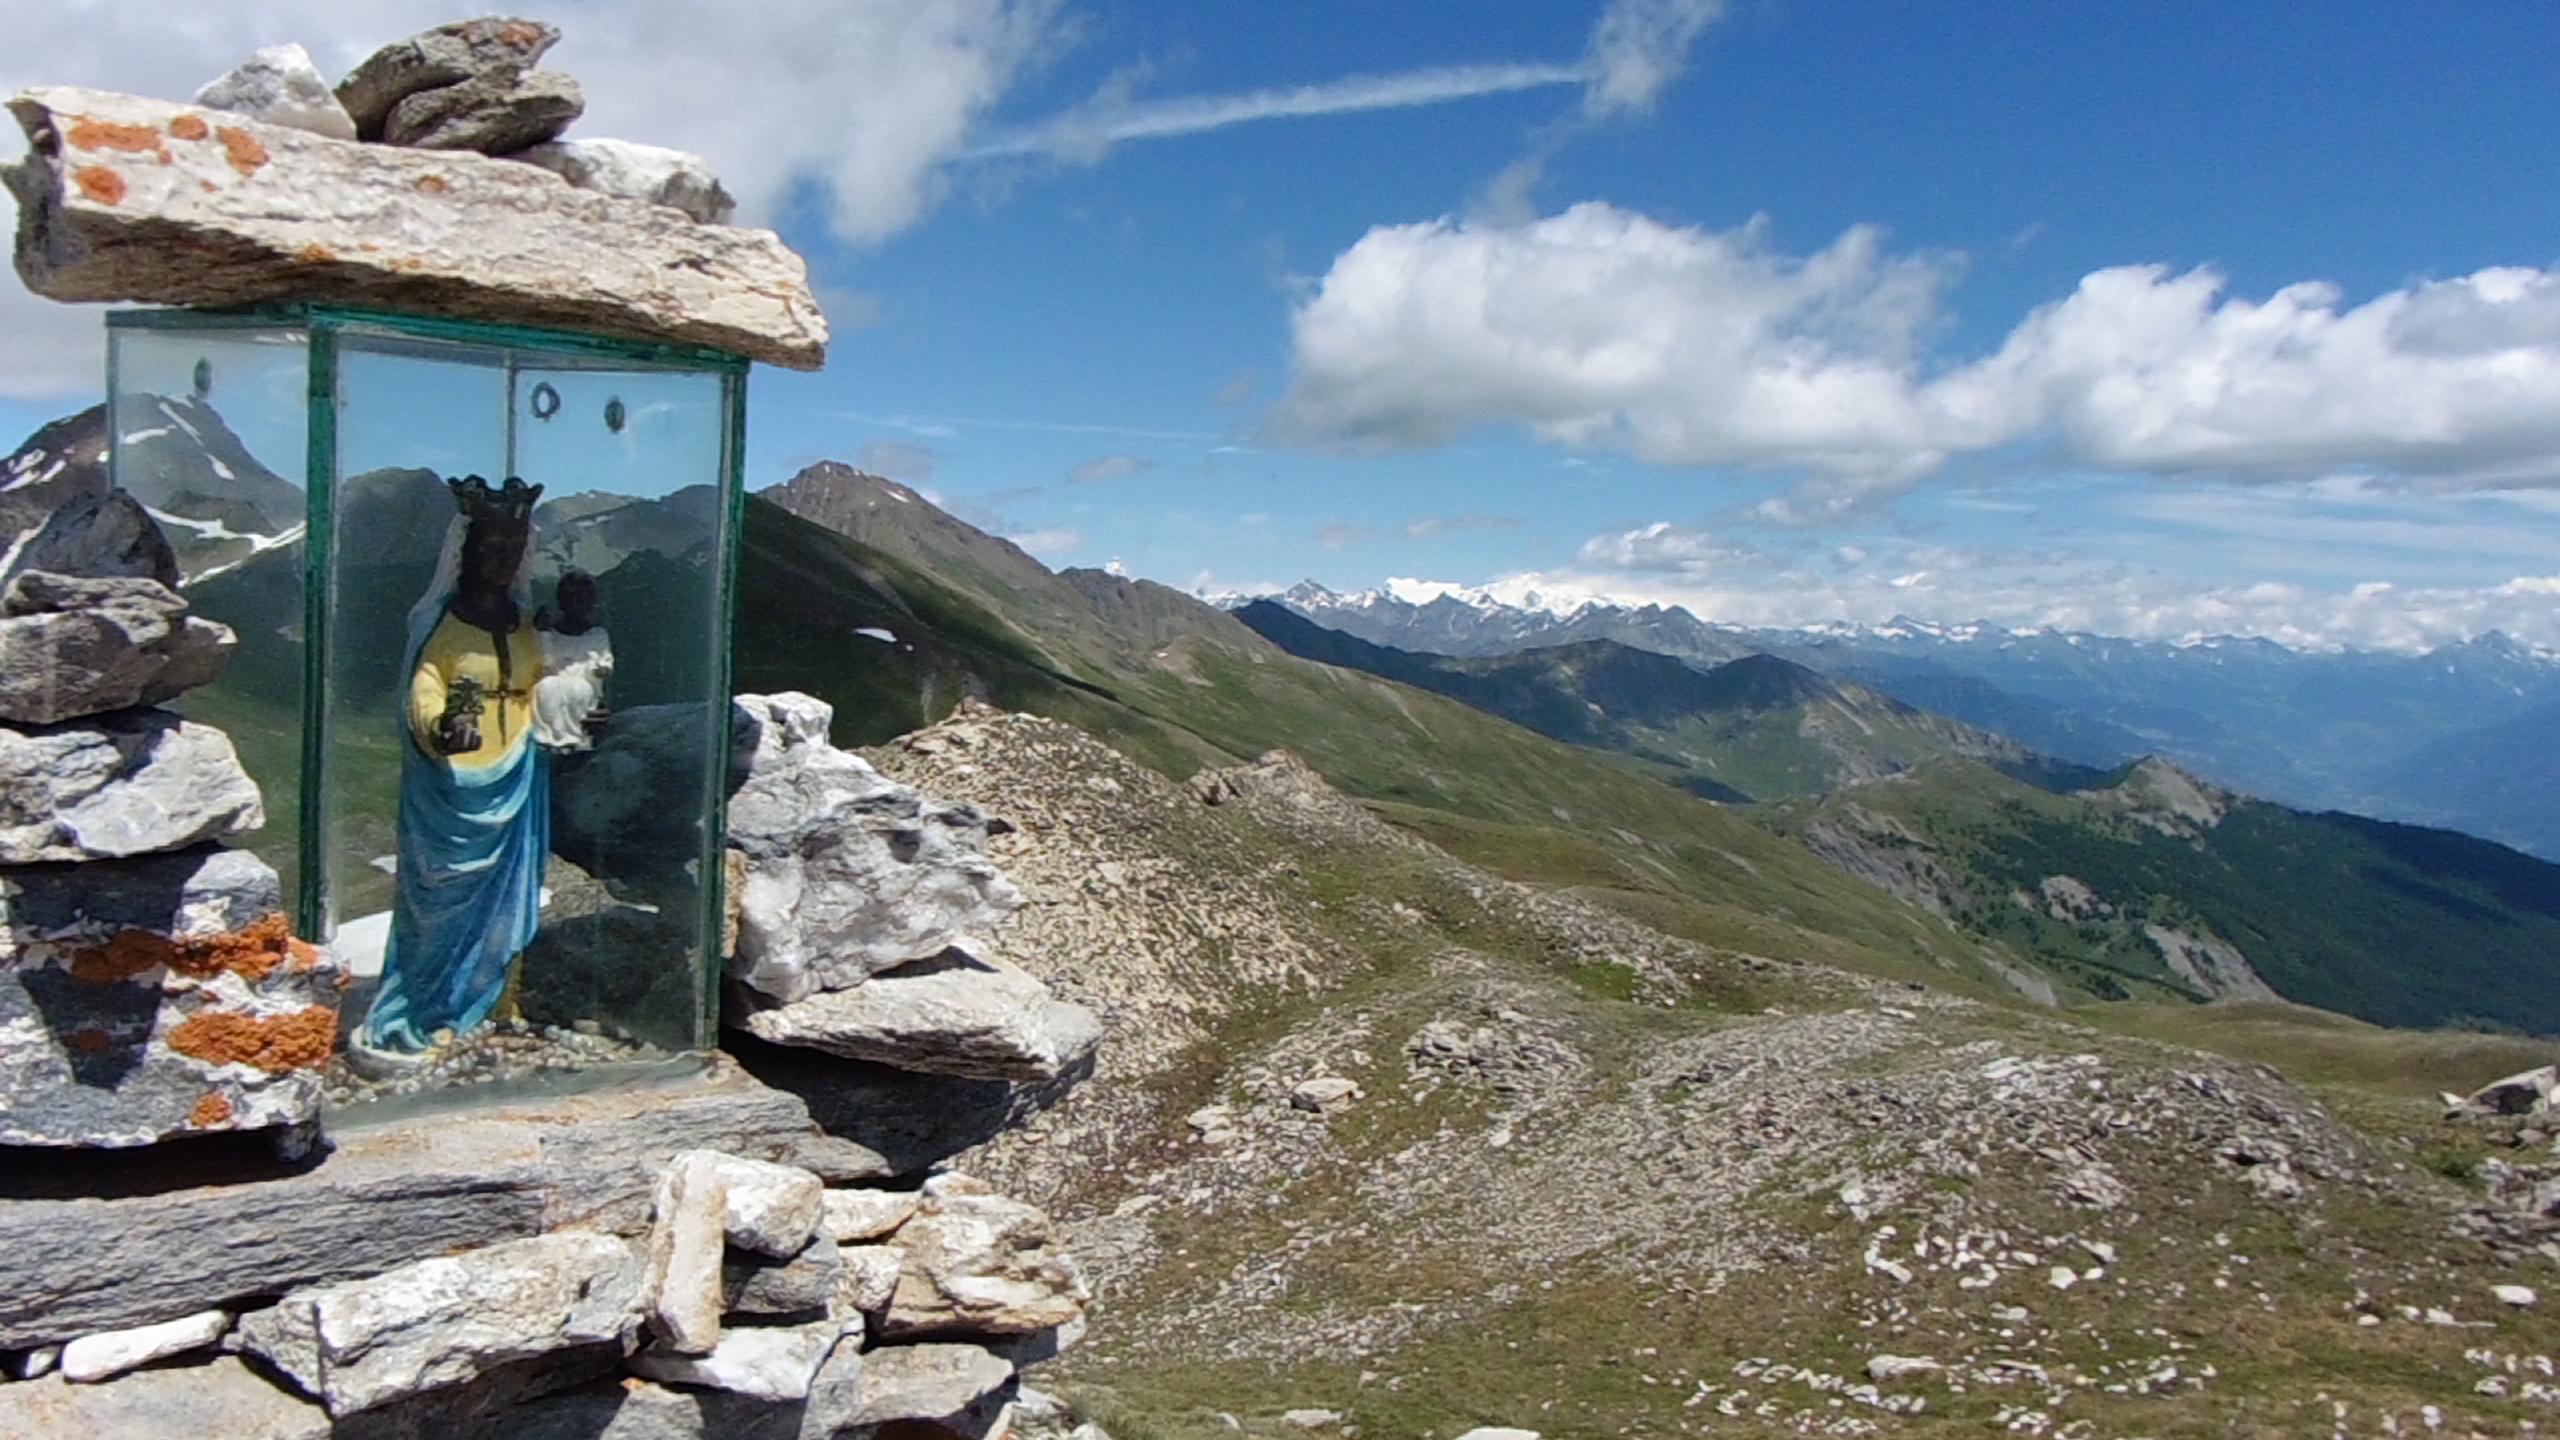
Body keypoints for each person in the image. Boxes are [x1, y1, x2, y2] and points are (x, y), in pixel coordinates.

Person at [353, 474, 549, 1064]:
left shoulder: (523, 622)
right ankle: (421, 1008)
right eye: (492, 546)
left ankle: (488, 1002)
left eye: (514, 548)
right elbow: (425, 684)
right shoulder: (440, 622)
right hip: (454, 785)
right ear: (466, 549)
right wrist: (440, 727)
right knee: (441, 902)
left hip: (517, 770)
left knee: (505, 897)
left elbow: (537, 682)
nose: (503, 559)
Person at [531, 569, 613, 751]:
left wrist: (600, 669)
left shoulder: (597, 635)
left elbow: (604, 661)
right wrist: (543, 633)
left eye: (583, 598)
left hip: (583, 684)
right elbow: (546, 661)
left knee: (579, 689)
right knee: (547, 687)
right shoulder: (552, 634)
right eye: (572, 596)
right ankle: (550, 737)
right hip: (554, 681)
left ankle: (575, 738)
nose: (577, 603)